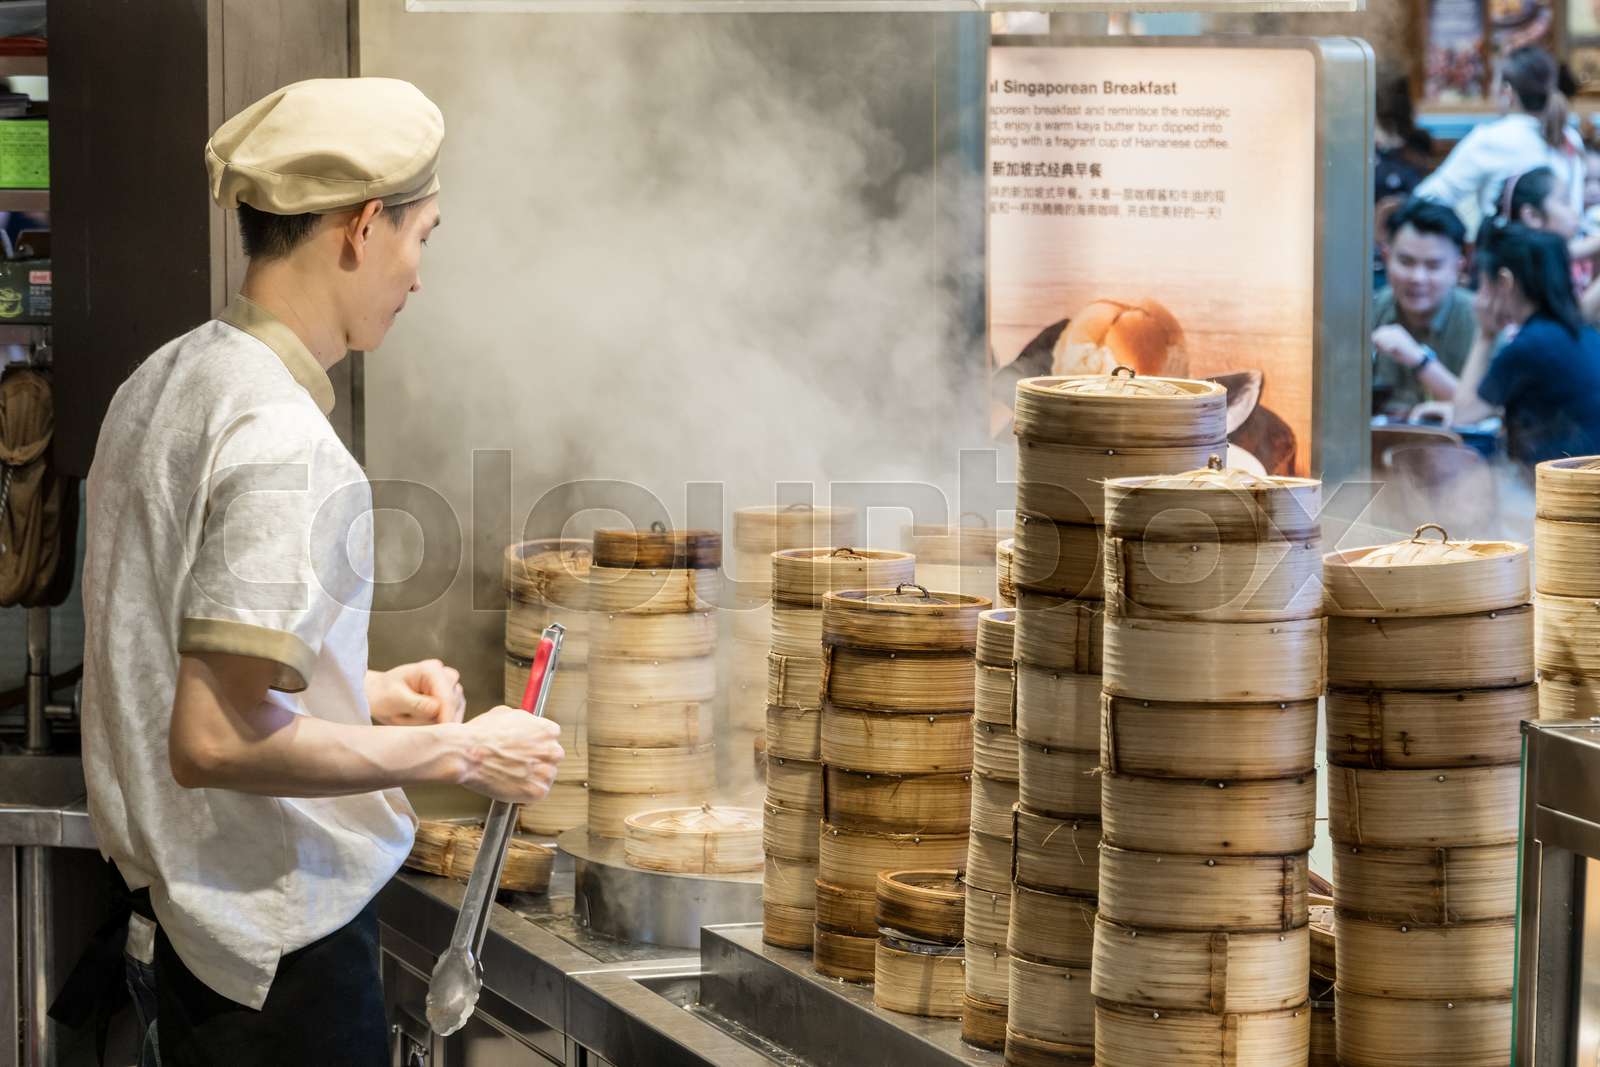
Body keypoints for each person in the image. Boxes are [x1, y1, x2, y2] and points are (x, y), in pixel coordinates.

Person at [80, 78, 565, 1067]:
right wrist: (460, 752)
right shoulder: (285, 440)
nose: (418, 276)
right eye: (421, 236)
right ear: (363, 227)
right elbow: (212, 738)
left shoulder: (168, 378)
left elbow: (174, 653)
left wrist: (362, 690)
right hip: (272, 965)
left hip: (174, 930)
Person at [1454, 220, 1600, 464]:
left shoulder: (1531, 345)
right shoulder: (1582, 333)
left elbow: (1464, 414)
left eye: (1484, 283)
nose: (1480, 296)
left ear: (1504, 282)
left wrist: (1485, 336)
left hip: (1561, 482)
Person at [1415, 46, 1584, 227]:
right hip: (1564, 245)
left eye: (1493, 81)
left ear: (1507, 92)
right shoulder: (1570, 137)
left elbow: (1429, 197)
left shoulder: (1492, 138)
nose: (1491, 89)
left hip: (1507, 244)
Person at [1371, 197, 1477, 413]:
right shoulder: (1369, 310)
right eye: (1406, 262)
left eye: (1433, 266)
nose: (1417, 278)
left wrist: (1419, 360)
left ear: (1458, 267)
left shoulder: (1481, 320)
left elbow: (1484, 409)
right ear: (1386, 257)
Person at [1495, 165, 1600, 319]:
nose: (1574, 211)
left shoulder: (1567, 254)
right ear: (1532, 216)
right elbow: (1574, 320)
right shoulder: (1526, 266)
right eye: (1564, 202)